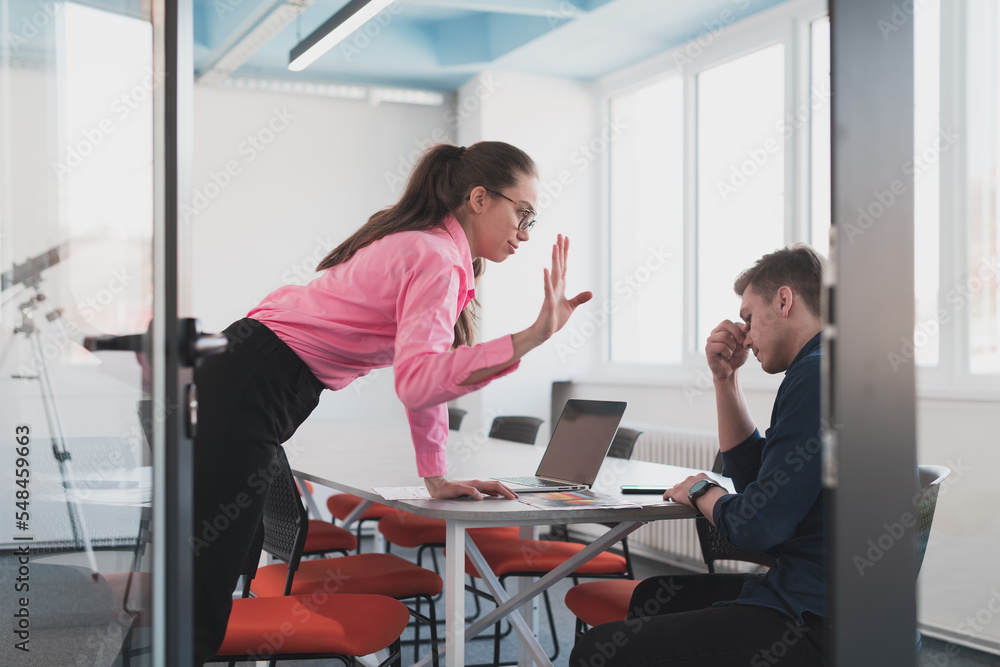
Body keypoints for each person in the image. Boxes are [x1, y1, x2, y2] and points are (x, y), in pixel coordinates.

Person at [191, 141, 593, 664]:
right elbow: (421, 382)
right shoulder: (437, 258)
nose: (525, 232)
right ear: (478, 198)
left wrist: (435, 474)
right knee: (205, 584)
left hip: (249, 370)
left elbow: (421, 378)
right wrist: (530, 337)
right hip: (254, 379)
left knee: (205, 573)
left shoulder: (434, 250)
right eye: (523, 213)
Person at [570, 244, 828, 667]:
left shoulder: (815, 377)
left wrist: (702, 489)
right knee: (653, 596)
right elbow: (756, 482)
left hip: (810, 621)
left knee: (595, 652)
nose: (745, 334)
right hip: (824, 602)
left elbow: (759, 524)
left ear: (784, 301)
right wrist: (724, 378)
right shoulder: (830, 367)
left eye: (748, 317)